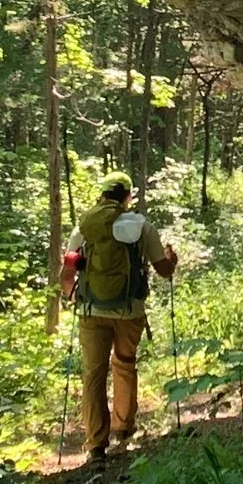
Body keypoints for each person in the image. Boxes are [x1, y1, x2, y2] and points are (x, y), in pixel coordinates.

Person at [57, 175, 178, 461]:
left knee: (93, 374)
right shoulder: (140, 226)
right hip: (129, 312)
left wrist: (75, 298)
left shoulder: (85, 227)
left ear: (102, 196)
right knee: (124, 364)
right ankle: (123, 429)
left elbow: (67, 274)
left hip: (91, 313)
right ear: (127, 197)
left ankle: (96, 444)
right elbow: (163, 270)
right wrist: (172, 259)